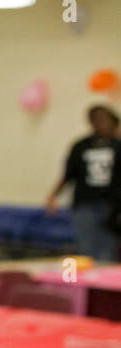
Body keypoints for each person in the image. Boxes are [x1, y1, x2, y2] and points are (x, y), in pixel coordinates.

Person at [46, 104, 120, 264]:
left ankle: (104, 285)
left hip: (111, 205)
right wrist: (53, 195)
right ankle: (87, 284)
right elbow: (68, 175)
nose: (102, 124)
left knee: (107, 250)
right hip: (85, 203)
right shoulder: (81, 146)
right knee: (87, 249)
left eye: (105, 120)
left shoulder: (117, 146)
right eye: (97, 120)